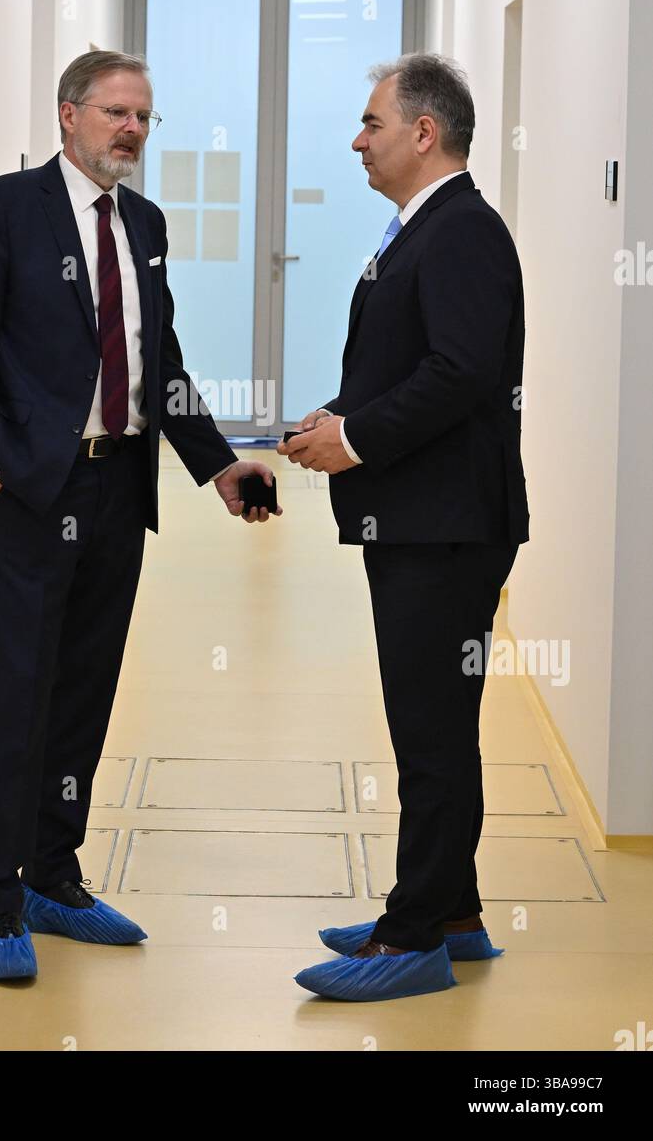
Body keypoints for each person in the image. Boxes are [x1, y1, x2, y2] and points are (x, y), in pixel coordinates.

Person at [0, 49, 281, 981]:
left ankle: (52, 874)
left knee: (86, 692)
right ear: (68, 115)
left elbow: (157, 361)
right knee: (20, 696)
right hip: (36, 491)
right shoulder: (4, 210)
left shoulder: (146, 222)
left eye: (143, 116)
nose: (130, 129)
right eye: (115, 112)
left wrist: (217, 469)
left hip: (118, 490)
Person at [280, 53, 529, 1004]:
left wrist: (358, 437)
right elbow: (410, 362)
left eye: (370, 123)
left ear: (424, 134)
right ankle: (454, 911)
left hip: (447, 526)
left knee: (430, 733)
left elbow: (460, 372)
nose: (357, 140)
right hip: (422, 517)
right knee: (434, 723)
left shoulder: (461, 232)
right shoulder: (421, 231)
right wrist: (334, 419)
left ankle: (411, 932)